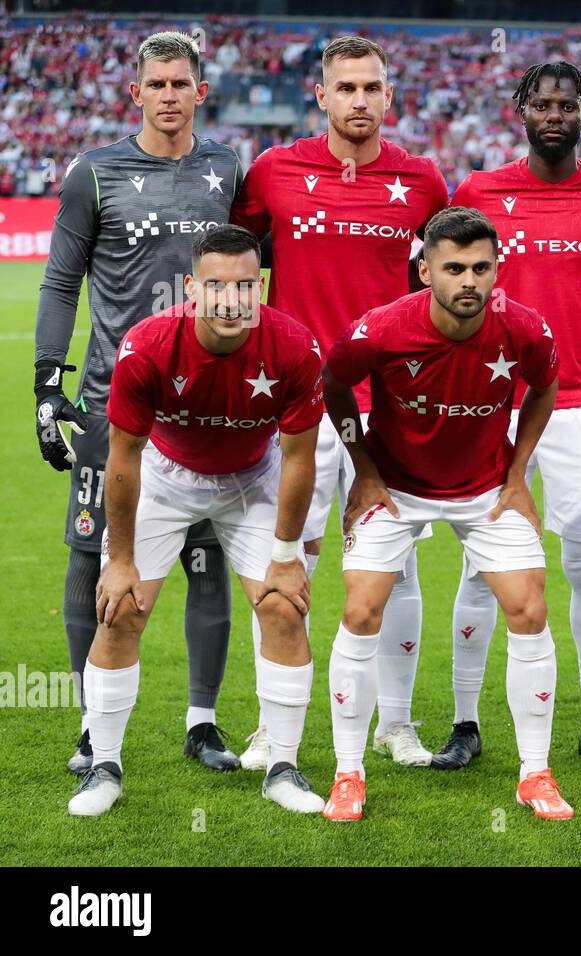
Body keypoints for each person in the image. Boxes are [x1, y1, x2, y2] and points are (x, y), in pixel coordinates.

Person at [231, 35, 450, 770]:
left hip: (389, 405)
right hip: (292, 401)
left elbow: (446, 281)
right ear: (319, 96)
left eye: (373, 88)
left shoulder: (422, 183)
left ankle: (397, 723)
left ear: (390, 97)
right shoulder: (274, 172)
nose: (360, 100)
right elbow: (229, 259)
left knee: (398, 569)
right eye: (346, 88)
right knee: (282, 559)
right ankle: (273, 727)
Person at [320, 207, 572, 821]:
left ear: (497, 270)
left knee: (529, 607)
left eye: (481, 268)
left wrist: (518, 475)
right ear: (425, 269)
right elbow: (332, 384)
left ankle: (535, 772)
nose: (468, 281)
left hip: (487, 487)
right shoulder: (382, 329)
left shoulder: (526, 329)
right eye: (453, 268)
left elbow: (544, 388)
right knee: (360, 609)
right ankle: (347, 773)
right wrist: (365, 469)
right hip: (395, 488)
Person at [36, 31, 242, 776]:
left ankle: (203, 721)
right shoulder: (92, 172)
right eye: (155, 84)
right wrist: (46, 382)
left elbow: (246, 278)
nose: (168, 95)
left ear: (199, 91)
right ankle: (94, 726)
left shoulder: (226, 169)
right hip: (111, 401)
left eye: (180, 84)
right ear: (136, 93)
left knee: (206, 558)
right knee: (92, 556)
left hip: (201, 404)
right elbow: (61, 282)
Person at [68, 225, 324, 817]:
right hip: (167, 474)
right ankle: (104, 765)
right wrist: (123, 559)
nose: (230, 299)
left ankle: (283, 765)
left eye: (244, 285)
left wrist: (287, 554)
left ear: (259, 288)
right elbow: (124, 457)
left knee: (284, 605)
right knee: (120, 607)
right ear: (191, 288)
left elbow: (298, 458)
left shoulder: (294, 346)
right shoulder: (148, 345)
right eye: (216, 285)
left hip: (252, 480)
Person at [440, 61, 581, 770]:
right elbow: (437, 271)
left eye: (567, 104)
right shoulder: (480, 191)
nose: (554, 114)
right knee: (478, 567)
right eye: (542, 103)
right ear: (520, 110)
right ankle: (465, 723)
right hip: (490, 403)